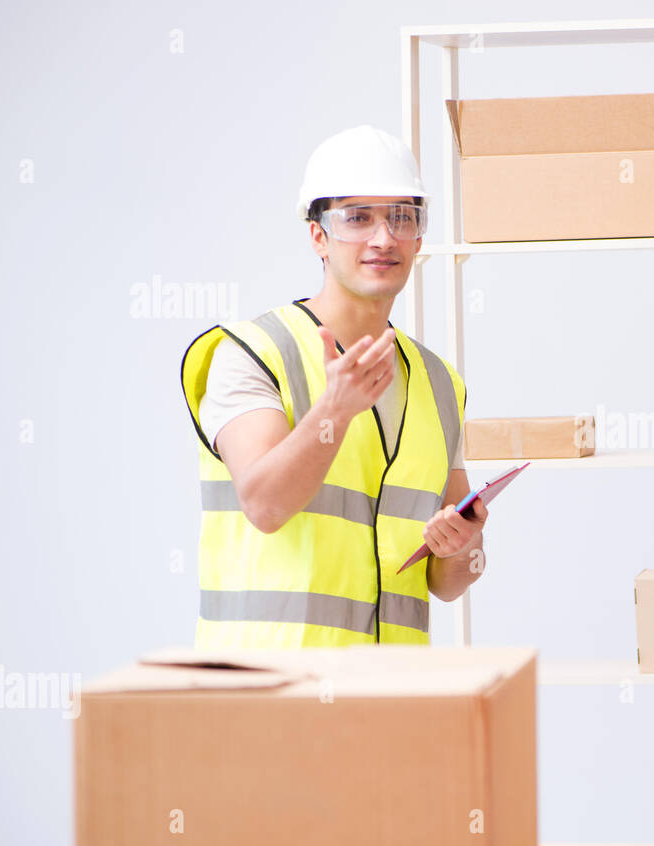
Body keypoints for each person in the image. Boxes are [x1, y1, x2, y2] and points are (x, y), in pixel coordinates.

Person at [179, 125, 485, 649]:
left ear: (418, 237)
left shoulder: (438, 382)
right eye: (358, 218)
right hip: (270, 693)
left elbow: (447, 584)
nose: (383, 237)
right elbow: (265, 505)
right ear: (318, 234)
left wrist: (460, 547)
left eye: (401, 218)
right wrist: (335, 411)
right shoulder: (254, 353)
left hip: (389, 698)